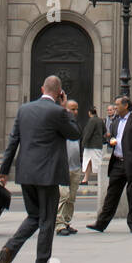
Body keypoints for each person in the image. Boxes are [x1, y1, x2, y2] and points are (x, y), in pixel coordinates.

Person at [0, 75, 81, 263]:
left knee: (34, 216)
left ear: (42, 89)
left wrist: (3, 171)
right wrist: (66, 109)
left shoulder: (23, 110)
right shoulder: (58, 112)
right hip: (48, 174)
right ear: (60, 93)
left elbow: (13, 142)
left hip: (26, 173)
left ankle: (10, 248)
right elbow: (75, 133)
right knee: (47, 221)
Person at [87, 95, 132, 235]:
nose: (115, 107)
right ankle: (101, 223)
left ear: (126, 105)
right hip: (117, 162)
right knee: (111, 194)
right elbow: (114, 138)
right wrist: (111, 141)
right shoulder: (114, 122)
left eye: (117, 104)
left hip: (131, 163)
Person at [55, 98, 83, 236]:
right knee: (63, 195)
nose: (75, 112)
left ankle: (66, 222)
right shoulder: (61, 124)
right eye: (72, 109)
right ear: (65, 109)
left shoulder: (75, 124)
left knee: (71, 197)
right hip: (63, 167)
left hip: (75, 166)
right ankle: (59, 225)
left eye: (77, 109)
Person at [80, 106, 104, 186]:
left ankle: (87, 179)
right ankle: (86, 179)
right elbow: (105, 131)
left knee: (90, 162)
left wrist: (83, 143)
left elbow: (88, 133)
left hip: (90, 145)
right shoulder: (100, 120)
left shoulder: (92, 120)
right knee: (93, 162)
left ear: (89, 113)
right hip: (98, 145)